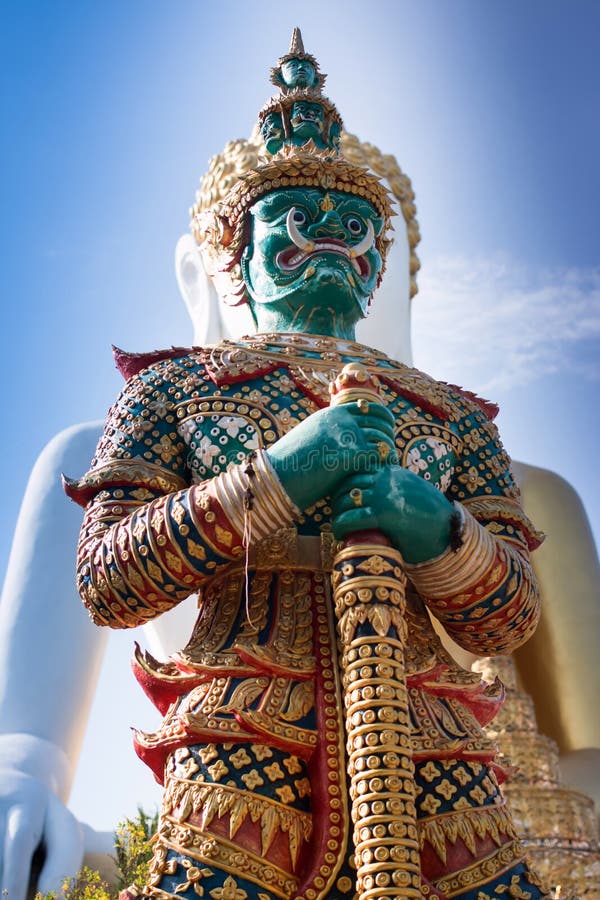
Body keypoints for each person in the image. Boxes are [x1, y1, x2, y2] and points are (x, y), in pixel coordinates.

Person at [64, 32, 552, 898]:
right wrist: (281, 475)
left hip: (435, 750)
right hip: (244, 738)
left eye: (356, 226)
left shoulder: (451, 415)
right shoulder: (176, 389)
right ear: (232, 256)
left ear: (381, 270)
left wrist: (434, 526)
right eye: (295, 218)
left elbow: (507, 618)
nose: (331, 235)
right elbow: (109, 578)